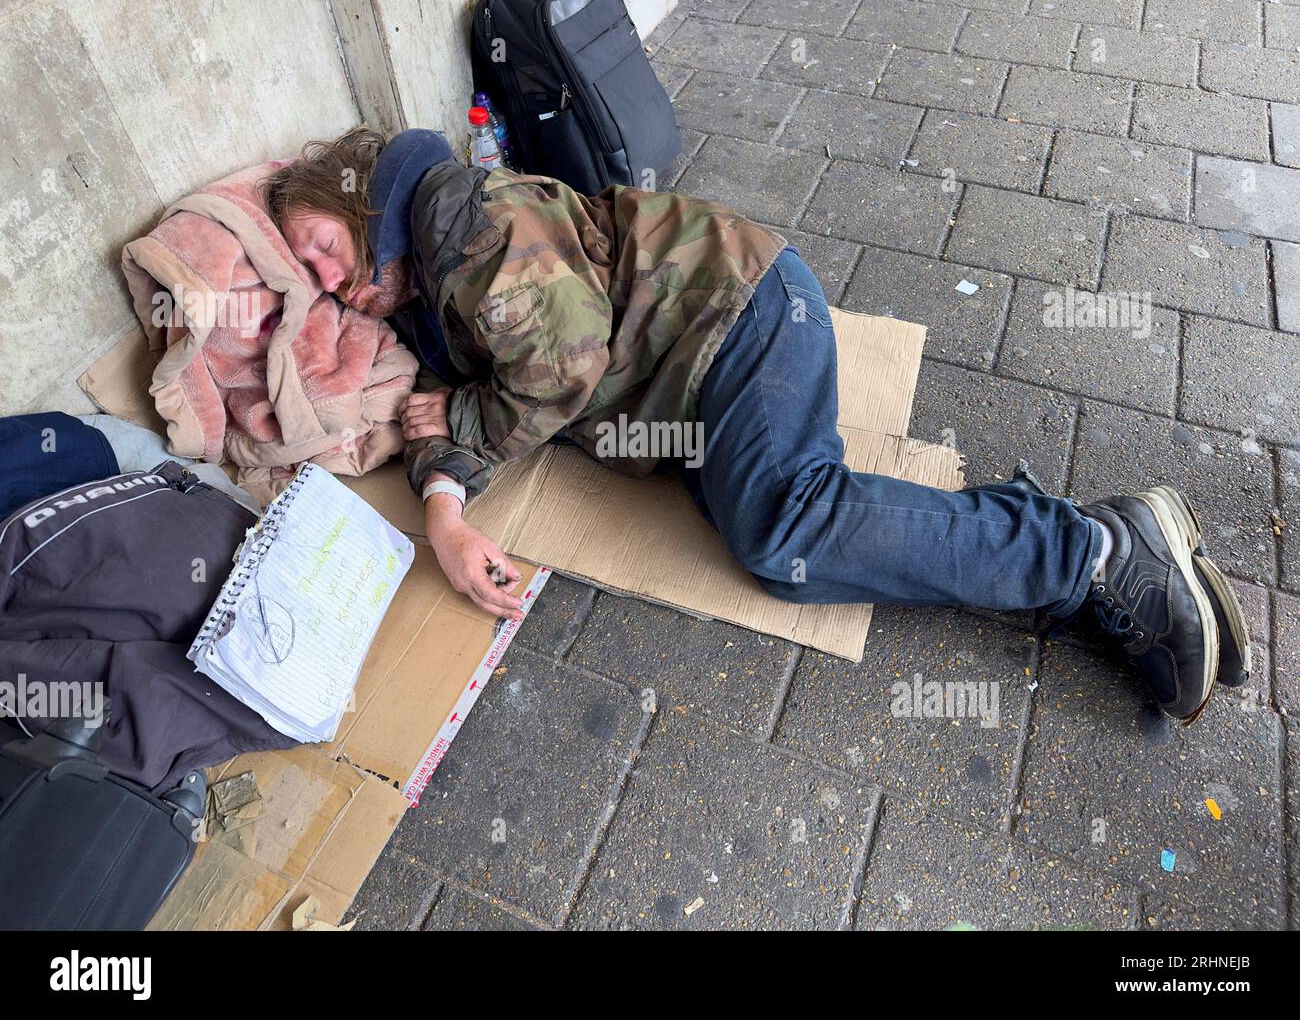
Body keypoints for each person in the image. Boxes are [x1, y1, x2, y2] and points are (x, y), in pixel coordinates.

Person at [264, 126, 1250, 725]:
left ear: (359, 198)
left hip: (730, 322)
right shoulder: (427, 296)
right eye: (307, 278)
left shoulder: (449, 209)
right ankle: (1037, 538)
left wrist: (465, 421)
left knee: (785, 532)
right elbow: (458, 401)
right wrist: (443, 503)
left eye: (316, 247)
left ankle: (1098, 552)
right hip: (694, 375)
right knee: (779, 529)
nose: (327, 283)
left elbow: (560, 359)